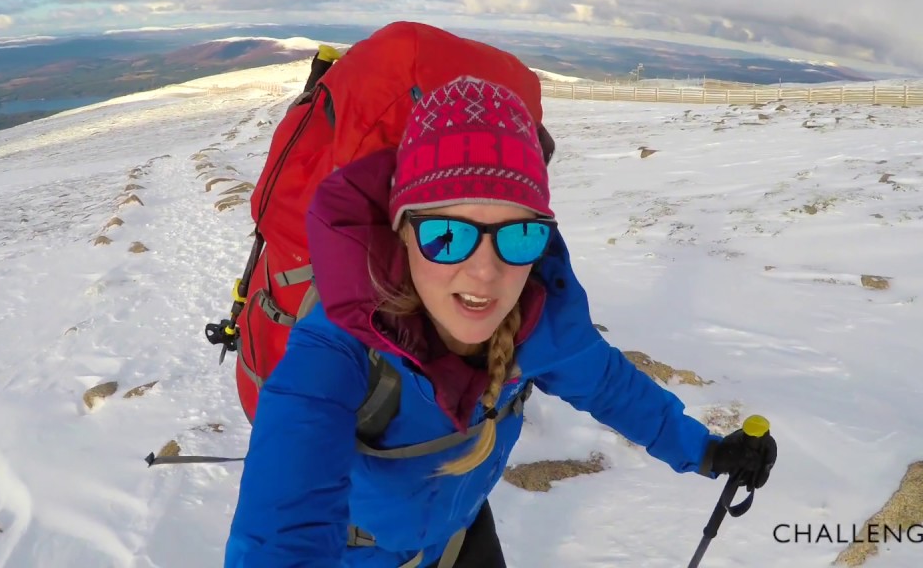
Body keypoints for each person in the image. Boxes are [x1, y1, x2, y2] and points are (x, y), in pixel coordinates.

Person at [223, 76, 777, 567]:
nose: (485, 272)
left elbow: (610, 386)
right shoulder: (336, 350)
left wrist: (705, 451)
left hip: (461, 538)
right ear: (400, 230)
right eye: (448, 235)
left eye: (518, 234)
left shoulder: (537, 317)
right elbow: (281, 530)